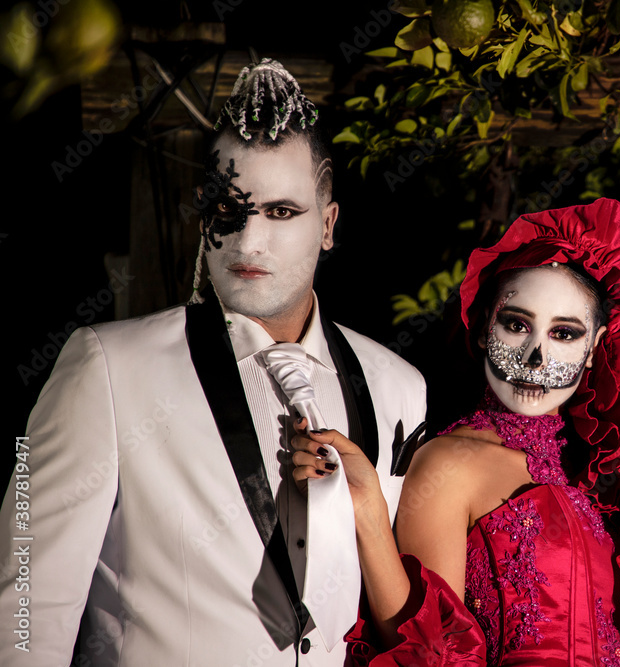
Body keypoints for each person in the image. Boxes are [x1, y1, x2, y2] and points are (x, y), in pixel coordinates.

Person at [0, 58, 426, 665]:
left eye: (281, 212)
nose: (250, 242)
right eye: (230, 210)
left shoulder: (398, 388)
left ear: (328, 225)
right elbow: (25, 609)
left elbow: (406, 623)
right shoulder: (106, 367)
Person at [291, 198, 620, 665]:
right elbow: (432, 649)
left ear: (596, 347)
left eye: (564, 334)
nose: (535, 359)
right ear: (482, 328)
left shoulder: (598, 468)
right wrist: (369, 511)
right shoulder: (449, 462)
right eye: (517, 325)